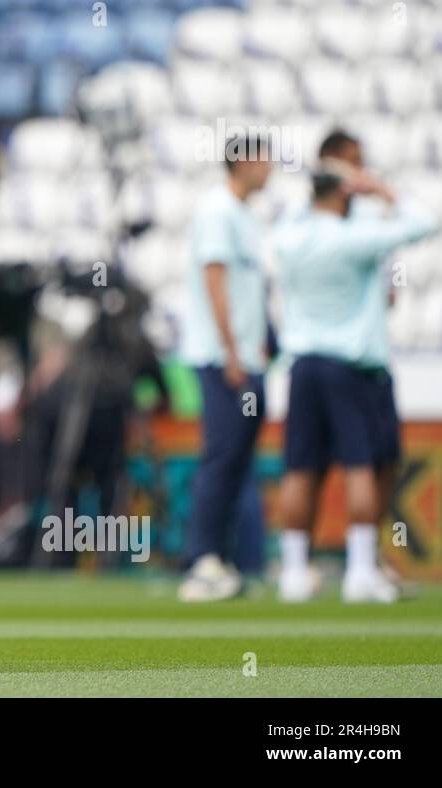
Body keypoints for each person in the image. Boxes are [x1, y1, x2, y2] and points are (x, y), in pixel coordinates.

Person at [273, 166, 438, 603]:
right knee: (360, 466)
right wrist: (382, 190)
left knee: (300, 468)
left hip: (303, 365)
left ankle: (293, 572)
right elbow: (426, 223)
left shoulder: (290, 238)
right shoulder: (351, 240)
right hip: (348, 366)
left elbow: (291, 217)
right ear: (343, 196)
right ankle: (361, 570)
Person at [176, 136, 273, 602]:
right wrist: (233, 352)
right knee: (221, 457)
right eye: (264, 157)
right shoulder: (218, 211)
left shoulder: (243, 215)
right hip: (223, 359)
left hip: (243, 357)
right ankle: (202, 560)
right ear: (244, 161)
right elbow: (214, 281)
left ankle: (225, 558)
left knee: (236, 461)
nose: (270, 166)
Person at [317, 129, 410, 594]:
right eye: (352, 162)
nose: (361, 170)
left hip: (371, 356)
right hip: (341, 358)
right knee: (331, 465)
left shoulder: (371, 218)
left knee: (383, 460)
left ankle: (367, 557)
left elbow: (392, 281)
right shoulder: (317, 221)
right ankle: (308, 562)